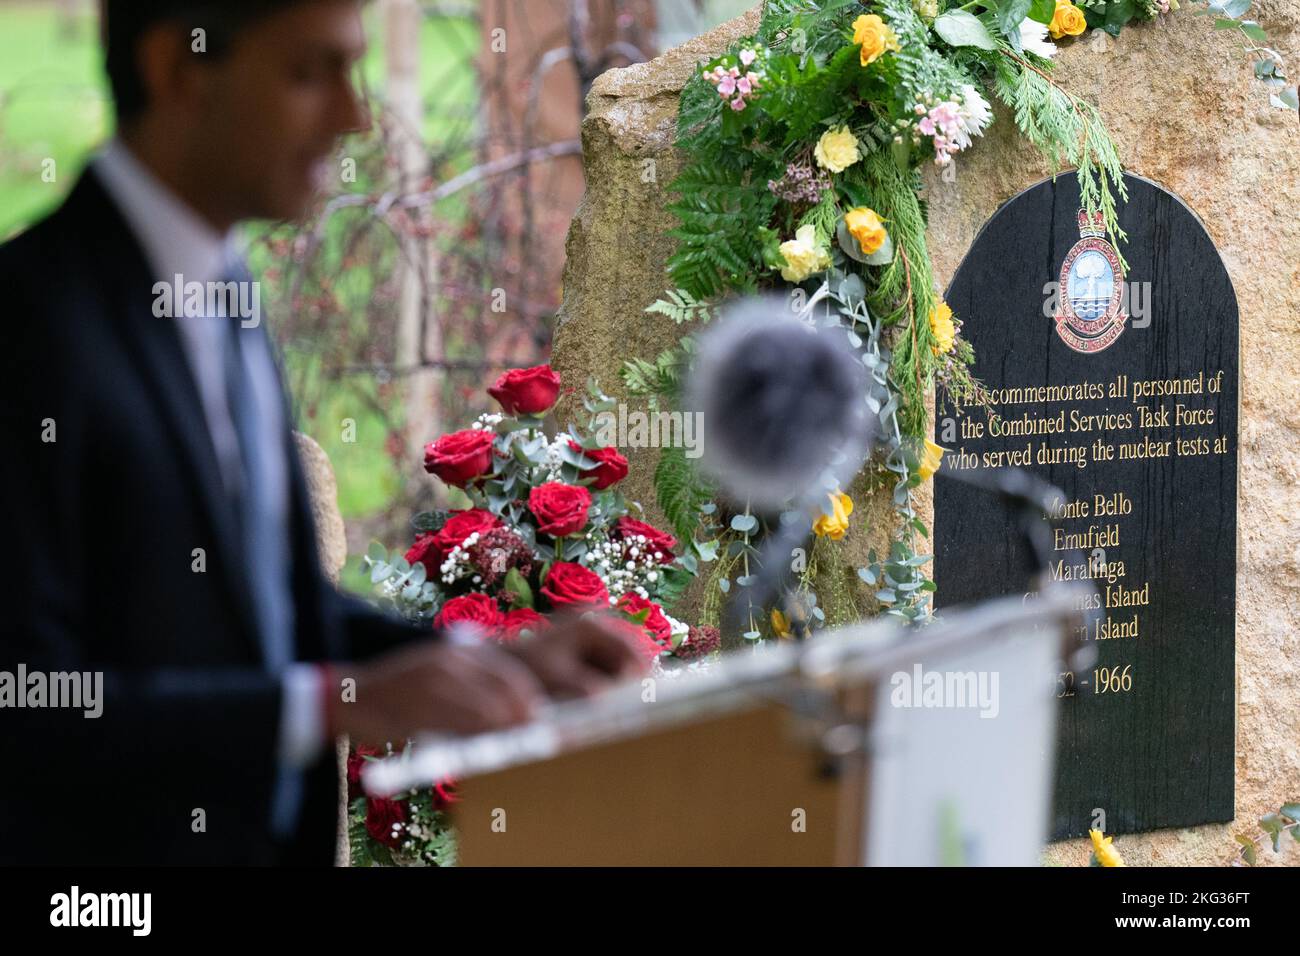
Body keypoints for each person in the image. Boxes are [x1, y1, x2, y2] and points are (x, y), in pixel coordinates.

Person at [0, 0, 644, 865]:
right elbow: (30, 699)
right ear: (177, 69)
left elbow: (283, 611)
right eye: (311, 73)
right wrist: (332, 705)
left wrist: (500, 662)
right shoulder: (30, 321)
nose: (355, 116)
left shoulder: (223, 286)